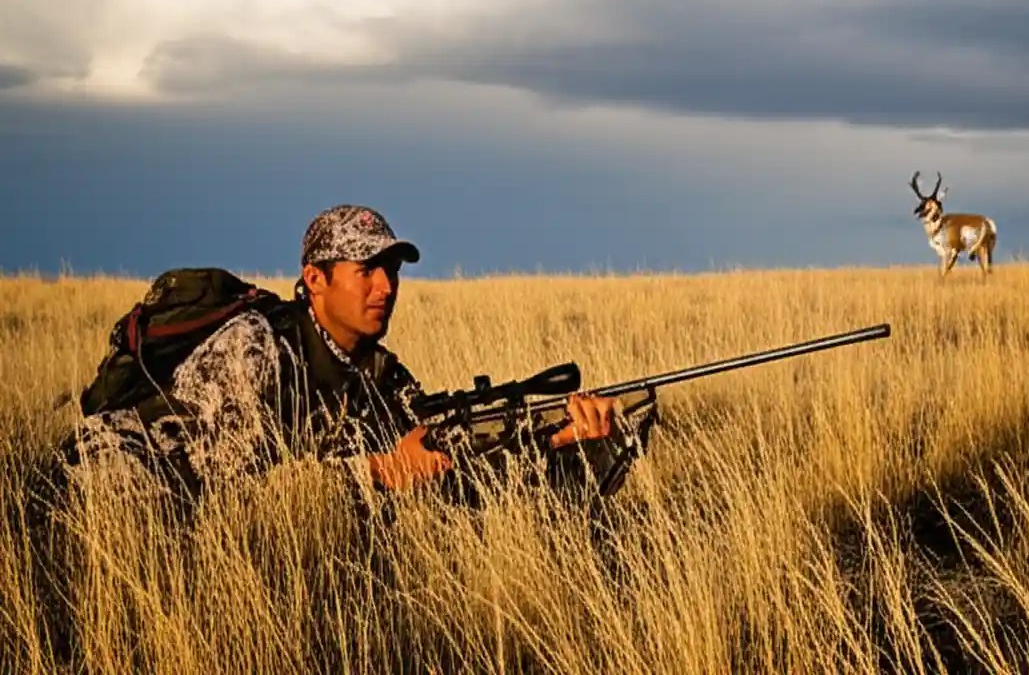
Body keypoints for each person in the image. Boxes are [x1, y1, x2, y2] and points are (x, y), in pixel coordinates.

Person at [24, 204, 650, 662]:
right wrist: (377, 473)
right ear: (315, 279)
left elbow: (449, 475)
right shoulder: (255, 346)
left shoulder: (379, 373)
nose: (386, 287)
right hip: (113, 488)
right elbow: (231, 504)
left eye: (393, 271)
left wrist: (563, 445)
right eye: (367, 270)